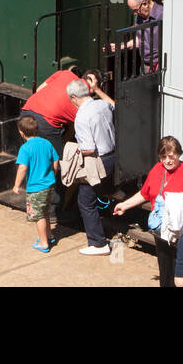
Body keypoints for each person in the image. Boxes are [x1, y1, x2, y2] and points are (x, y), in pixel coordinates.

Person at [113, 136, 183, 287]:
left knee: (180, 276)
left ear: (179, 154)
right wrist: (125, 205)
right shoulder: (157, 170)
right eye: (163, 157)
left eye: (171, 156)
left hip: (182, 236)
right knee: (165, 271)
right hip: (161, 231)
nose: (167, 160)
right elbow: (145, 193)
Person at [69, 76, 116, 255]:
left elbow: (89, 148)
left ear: (74, 97)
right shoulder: (101, 105)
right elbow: (114, 104)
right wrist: (98, 90)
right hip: (113, 156)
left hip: (99, 161)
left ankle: (98, 243)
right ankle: (113, 190)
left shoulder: (81, 117)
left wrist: (74, 151)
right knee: (100, 189)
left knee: (85, 201)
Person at [12, 115, 61, 253]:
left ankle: (43, 243)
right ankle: (49, 235)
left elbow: (22, 168)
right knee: (45, 210)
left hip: (36, 187)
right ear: (37, 129)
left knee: (38, 216)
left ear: (21, 132)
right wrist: (54, 173)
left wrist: (16, 185)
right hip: (49, 185)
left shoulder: (25, 148)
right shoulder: (46, 143)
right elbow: (56, 159)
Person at [19, 63, 80, 156]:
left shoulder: (62, 73)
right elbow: (73, 126)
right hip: (46, 123)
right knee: (59, 159)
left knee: (35, 156)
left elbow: (39, 89)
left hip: (26, 113)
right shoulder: (79, 94)